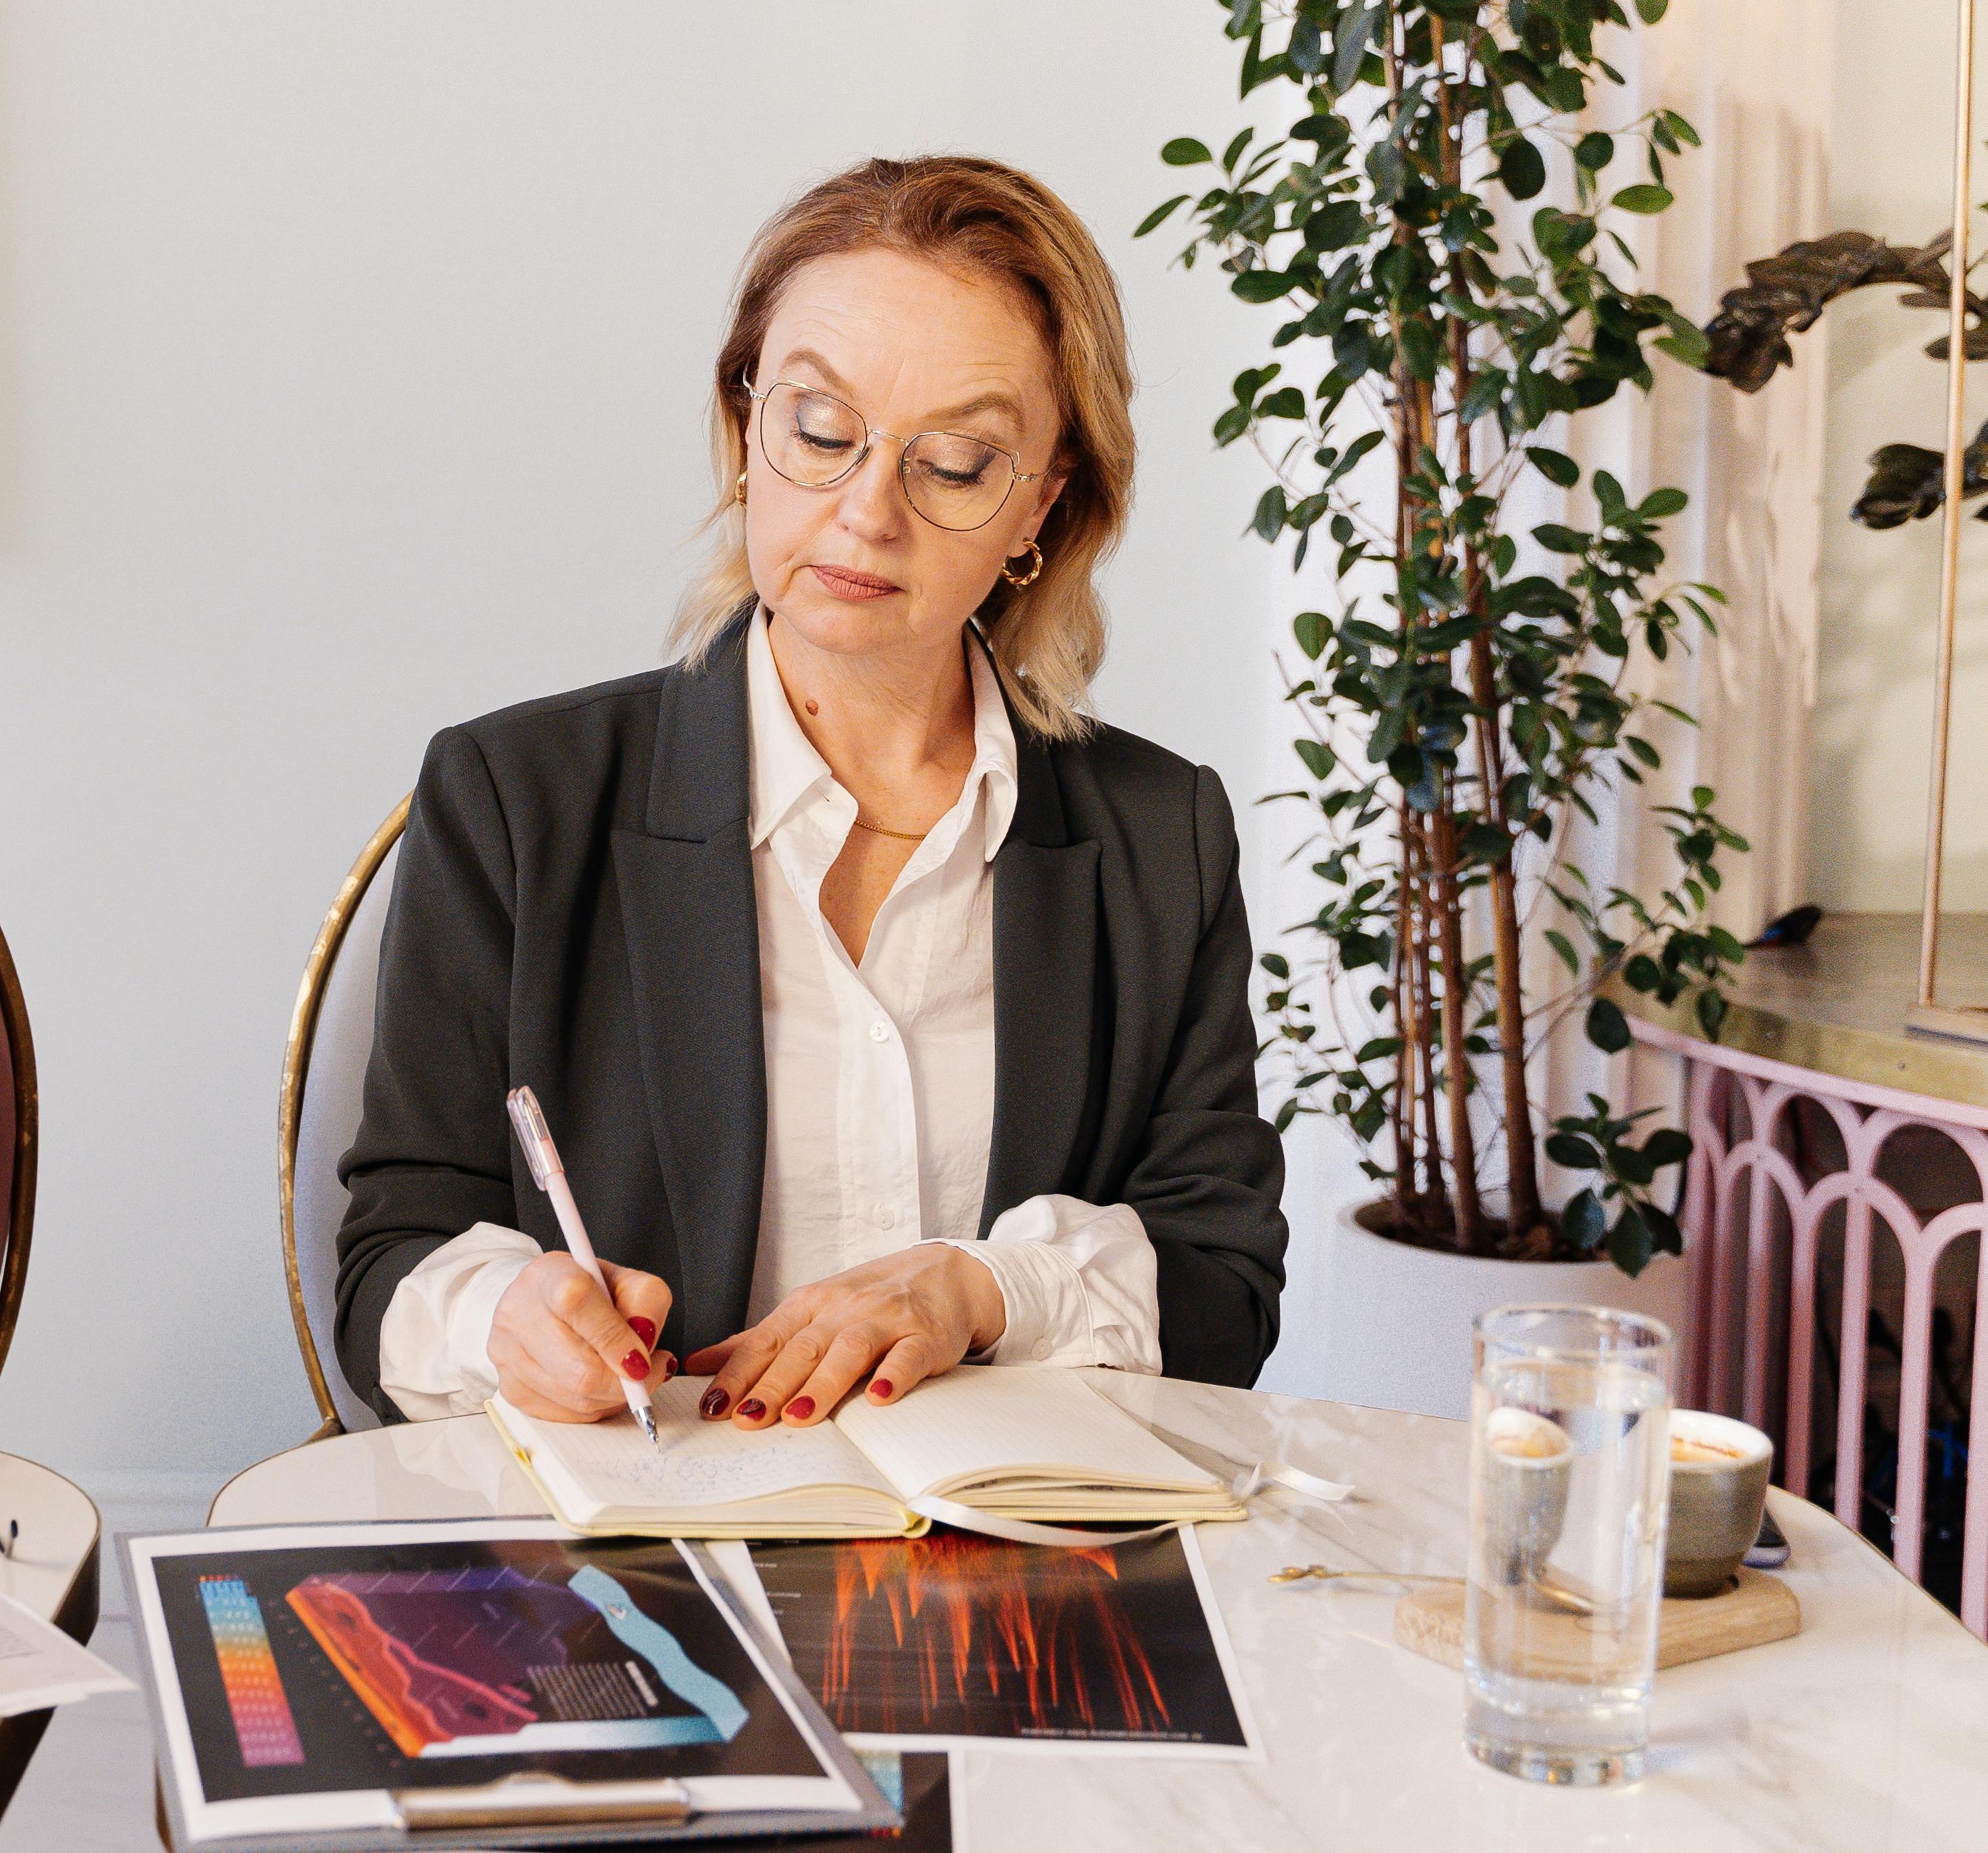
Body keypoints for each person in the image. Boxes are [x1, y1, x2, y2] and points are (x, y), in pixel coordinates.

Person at [339, 153, 1285, 1456]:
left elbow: (1226, 1292)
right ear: (743, 436)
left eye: (955, 462)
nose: (865, 512)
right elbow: (390, 1259)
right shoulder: (515, 799)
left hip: (1010, 1591)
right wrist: (502, 1310)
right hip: (640, 1576)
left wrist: (984, 1286)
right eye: (822, 432)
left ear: (1041, 510)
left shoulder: (1157, 835)